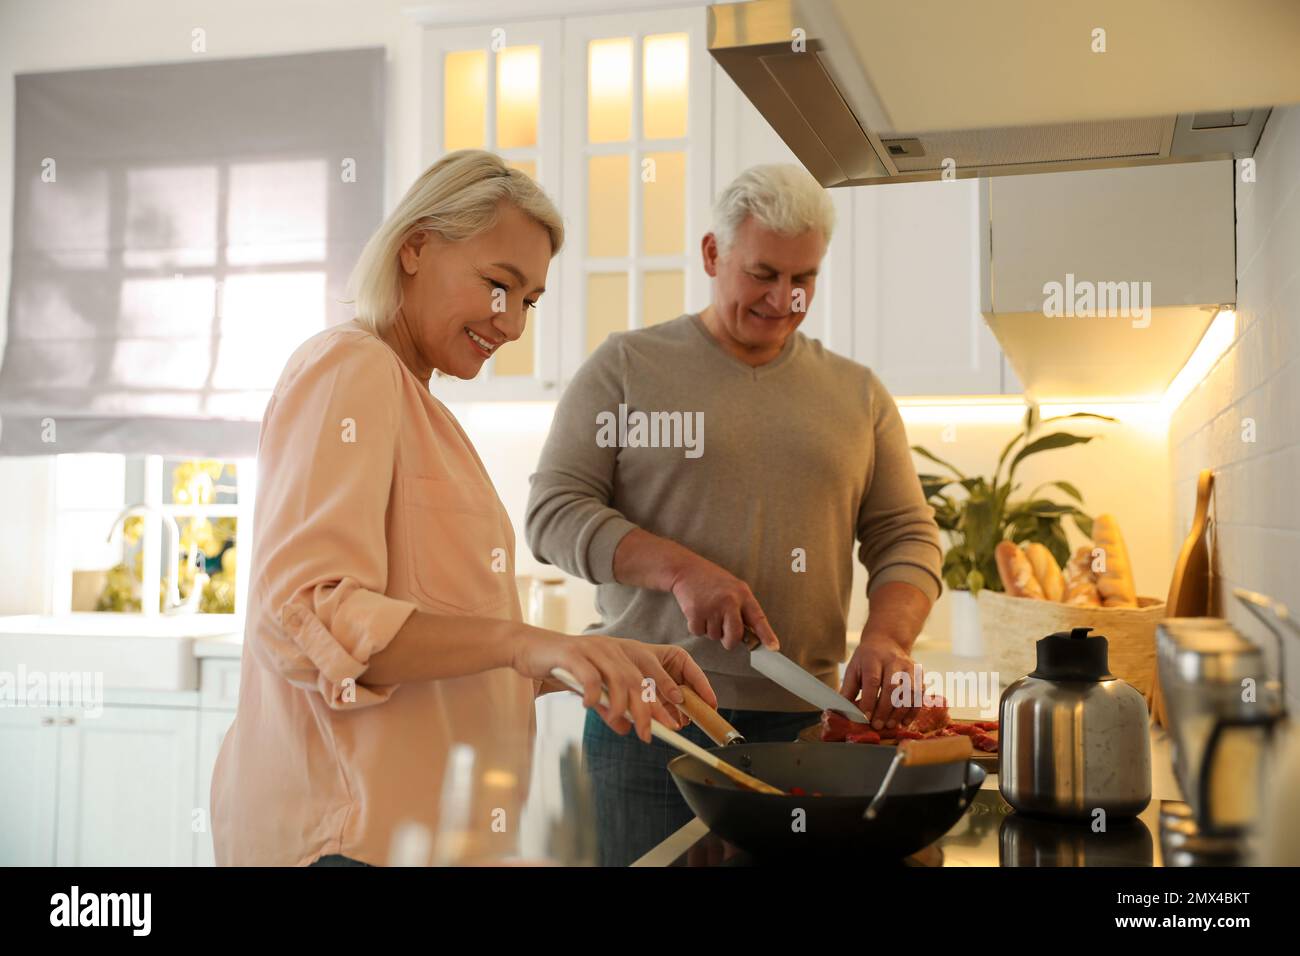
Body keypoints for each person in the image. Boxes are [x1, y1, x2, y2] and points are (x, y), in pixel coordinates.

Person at [211, 150, 715, 867]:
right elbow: (303, 617)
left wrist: (584, 662)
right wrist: (528, 643)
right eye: (498, 284)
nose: (512, 325)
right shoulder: (350, 369)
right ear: (415, 246)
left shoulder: (416, 403)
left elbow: (433, 645)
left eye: (530, 300)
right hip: (348, 845)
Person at [526, 164, 943, 865]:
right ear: (713, 255)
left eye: (804, 278)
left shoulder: (857, 394)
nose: (785, 299)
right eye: (764, 274)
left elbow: (907, 536)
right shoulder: (626, 366)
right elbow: (552, 513)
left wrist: (888, 637)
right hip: (652, 723)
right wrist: (680, 572)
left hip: (810, 737)